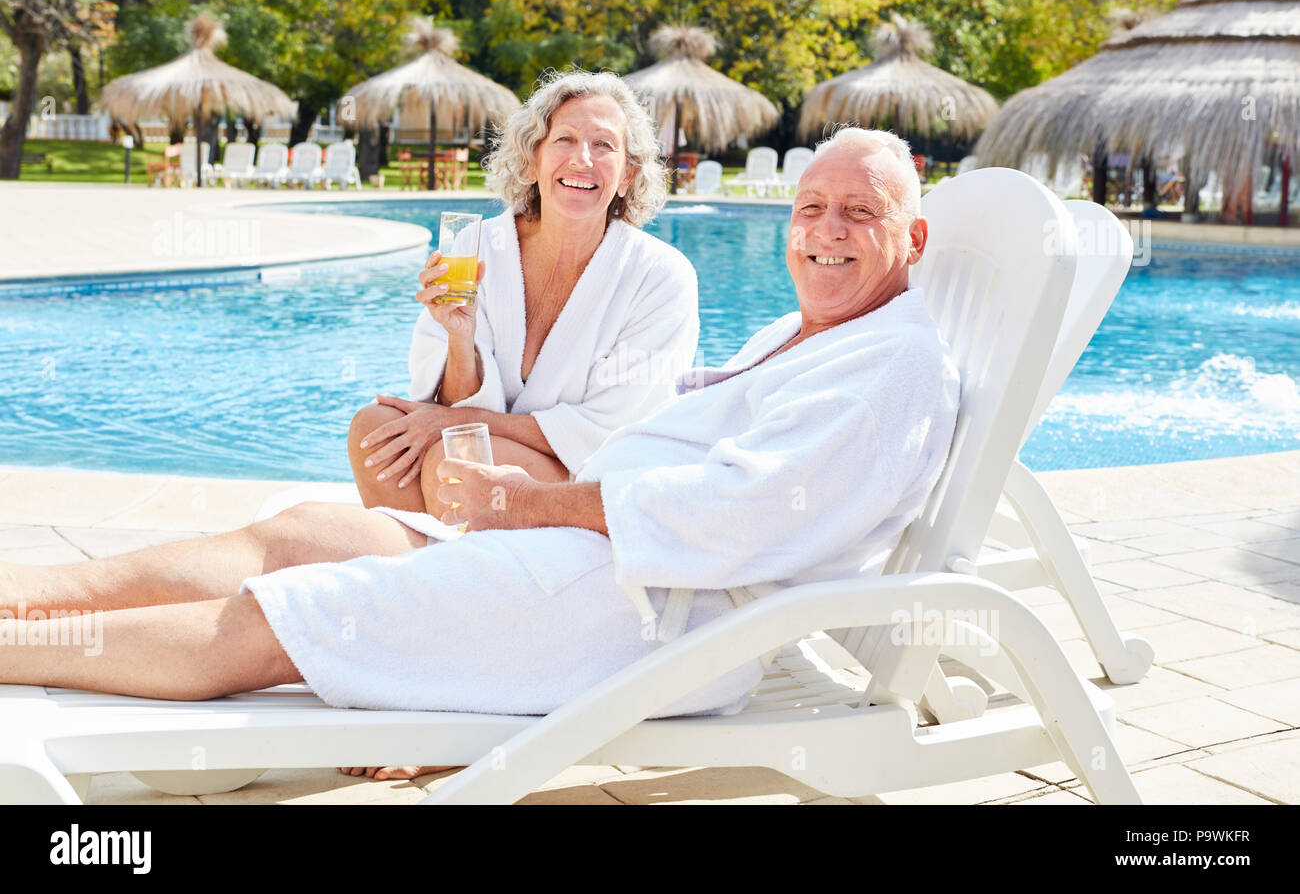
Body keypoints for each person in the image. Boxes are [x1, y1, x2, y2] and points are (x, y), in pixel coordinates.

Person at [0, 128, 961, 779]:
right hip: (597, 559)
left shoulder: (891, 369)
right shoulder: (807, 338)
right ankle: (25, 587)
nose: (823, 234)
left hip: (652, 619)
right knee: (306, 533)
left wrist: (527, 504)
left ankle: (15, 647)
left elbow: (740, 516)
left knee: (284, 615)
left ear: (913, 237)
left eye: (859, 215)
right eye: (810, 209)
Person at [348, 69, 698, 529]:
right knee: (374, 431)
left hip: (584, 477)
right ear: (532, 160)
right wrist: (459, 337)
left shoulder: (659, 276)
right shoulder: (475, 247)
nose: (582, 159)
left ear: (628, 175)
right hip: (486, 445)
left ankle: (433, 577)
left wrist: (458, 424)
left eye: (604, 145)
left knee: (457, 464)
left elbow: (611, 431)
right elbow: (449, 403)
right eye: (565, 140)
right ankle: (420, 570)